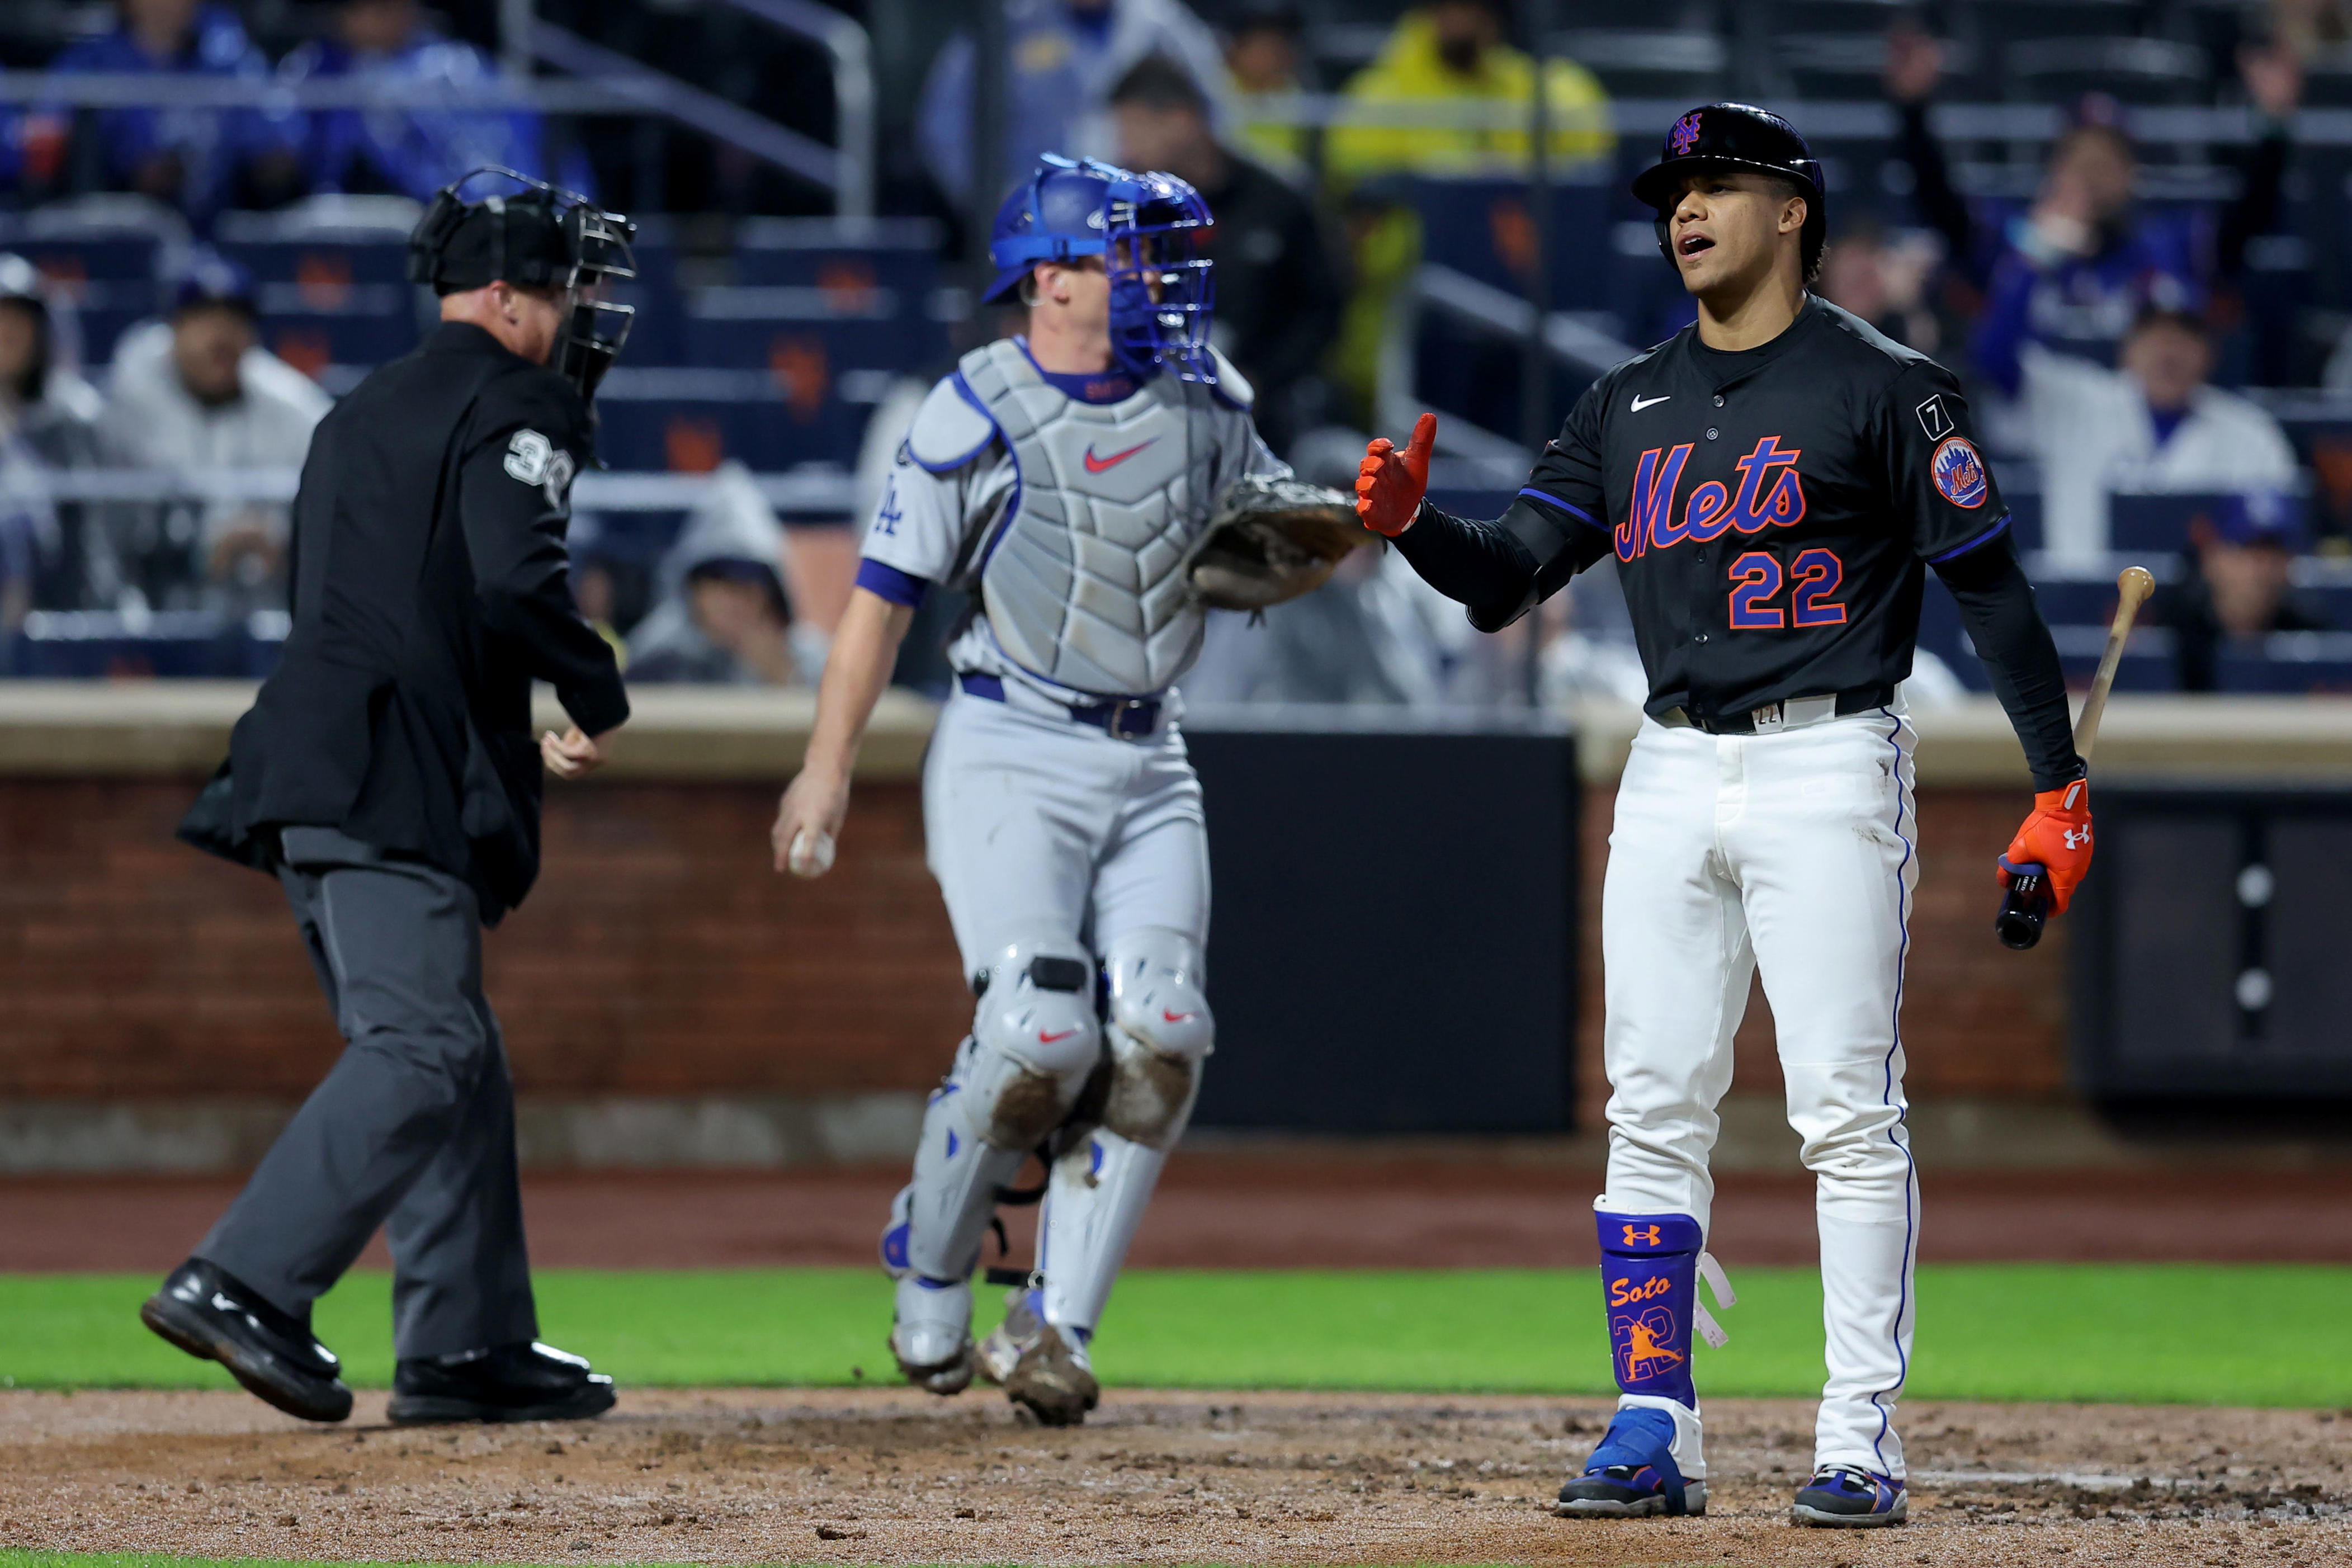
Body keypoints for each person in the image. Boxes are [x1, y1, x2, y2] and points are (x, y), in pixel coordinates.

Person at [1354, 105, 2088, 1529]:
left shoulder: (1890, 387)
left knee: (1844, 1111)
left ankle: (1856, 1432)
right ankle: (1653, 1421)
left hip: (1829, 756)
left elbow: (1991, 595)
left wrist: (2056, 784)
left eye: (1716, 185)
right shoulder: (1623, 399)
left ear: (1791, 211)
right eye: (1673, 191)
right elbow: (1506, 578)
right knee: (1649, 1104)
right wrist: (1411, 529)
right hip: (1669, 762)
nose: (1684, 209)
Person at [769, 154, 1289, 1425]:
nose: (1158, 279)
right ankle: (931, 1263)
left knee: (1163, 1028)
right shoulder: (972, 410)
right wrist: (824, 771)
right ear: (1047, 279)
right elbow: (876, 608)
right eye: (1129, 255)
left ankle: (1054, 1325)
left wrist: (1350, 524)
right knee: (1040, 1032)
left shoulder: (1210, 396)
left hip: (1151, 752)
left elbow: (1259, 553)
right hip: (1011, 740)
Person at [150, 170, 637, 1427]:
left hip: (306, 766)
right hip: (392, 775)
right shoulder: (518, 395)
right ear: (503, 297)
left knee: (457, 1051)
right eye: (561, 289)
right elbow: (513, 577)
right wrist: (591, 685)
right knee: (425, 1047)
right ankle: (244, 1278)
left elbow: (363, 601)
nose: (573, 314)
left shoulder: (354, 409)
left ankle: (466, 1341)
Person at [1883, 25, 2298, 374]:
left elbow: (2252, 219)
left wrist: (2274, 127)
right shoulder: (2014, 240)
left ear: (2133, 174)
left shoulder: (2171, 244)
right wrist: (1913, 112)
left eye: (2108, 162)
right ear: (2054, 170)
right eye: (2081, 160)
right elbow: (1938, 204)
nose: (2094, 176)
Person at [1109, 53, 1340, 454]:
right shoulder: (1122, 211)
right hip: (1148, 416)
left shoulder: (1278, 202)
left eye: (1135, 130)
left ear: (1182, 121)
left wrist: (1264, 380)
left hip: (1269, 418)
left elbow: (1323, 307)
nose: (1127, 149)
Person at [1980, 296, 2299, 565]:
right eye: (2156, 335)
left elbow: (2280, 542)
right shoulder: (2076, 403)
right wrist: (2034, 256)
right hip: (2083, 602)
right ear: (2127, 347)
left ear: (2210, 354)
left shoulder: (2252, 434)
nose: (2169, 352)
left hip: (2197, 613)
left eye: (2185, 338)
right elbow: (1992, 358)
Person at [97, 252, 333, 612]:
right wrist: (203, 542)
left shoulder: (292, 407)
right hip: (154, 598)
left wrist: (283, 538)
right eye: (204, 320)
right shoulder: (136, 393)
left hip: (268, 603)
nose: (220, 336)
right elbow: (117, 524)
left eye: (234, 321)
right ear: (175, 329)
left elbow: (337, 503)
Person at [915, 0, 1230, 204]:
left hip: (1145, 214)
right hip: (1037, 213)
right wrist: (998, 203)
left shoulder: (1161, 23)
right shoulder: (1010, 23)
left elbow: (1215, 113)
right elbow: (944, 127)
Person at [29, 0, 301, 223]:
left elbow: (280, 146)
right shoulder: (92, 60)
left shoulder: (227, 52)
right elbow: (42, 140)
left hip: (214, 230)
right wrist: (134, 175)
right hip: (118, 231)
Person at [277, 0, 559, 204]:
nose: (398, 16)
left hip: (440, 216)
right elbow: (279, 157)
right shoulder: (312, 68)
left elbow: (501, 166)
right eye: (379, 9)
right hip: (337, 218)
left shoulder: (457, 68)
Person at [1325, 0, 1612, 184]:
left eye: (1477, 9)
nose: (1463, 20)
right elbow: (1353, 174)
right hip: (1417, 253)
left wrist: (1507, 171)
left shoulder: (1533, 83)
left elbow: (1588, 140)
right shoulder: (1378, 94)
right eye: (1453, 8)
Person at [626, 460, 826, 685]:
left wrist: (783, 676)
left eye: (747, 587)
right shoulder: (657, 657)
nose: (735, 602)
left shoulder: (807, 660)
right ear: (694, 589)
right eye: (722, 583)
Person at [0, 253, 117, 611]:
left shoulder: (75, 417)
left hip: (61, 604)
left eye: (19, 320)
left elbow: (95, 533)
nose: (8, 332)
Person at [2155, 491, 2329, 691]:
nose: (2264, 567)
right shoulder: (2173, 626)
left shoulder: (2309, 633)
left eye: (2275, 550)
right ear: (2212, 555)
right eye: (2249, 548)